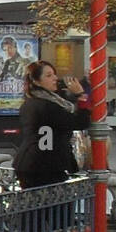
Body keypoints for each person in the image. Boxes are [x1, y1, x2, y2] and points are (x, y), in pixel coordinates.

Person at [12, 60, 92, 189]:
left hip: (34, 162)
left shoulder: (33, 101)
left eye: (54, 74)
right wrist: (81, 96)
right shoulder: (47, 106)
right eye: (49, 75)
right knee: (52, 206)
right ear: (36, 81)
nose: (55, 78)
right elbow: (80, 122)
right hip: (44, 165)